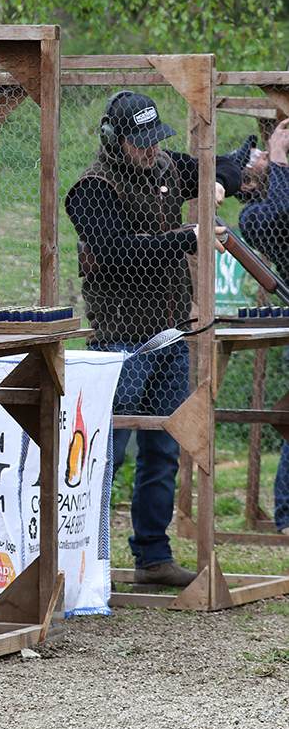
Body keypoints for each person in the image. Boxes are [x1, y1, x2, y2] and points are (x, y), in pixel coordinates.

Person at [65, 91, 241, 588]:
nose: (149, 151)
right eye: (138, 143)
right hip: (121, 339)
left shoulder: (165, 166)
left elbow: (222, 166)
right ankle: (87, 556)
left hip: (170, 335)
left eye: (152, 140)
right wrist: (189, 237)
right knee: (108, 451)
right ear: (113, 141)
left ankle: (152, 555)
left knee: (164, 446)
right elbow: (117, 253)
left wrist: (220, 184)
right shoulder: (91, 189)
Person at [234, 118, 289, 535]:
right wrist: (282, 156)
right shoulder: (256, 217)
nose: (262, 157)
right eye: (258, 159)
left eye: (264, 152)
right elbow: (281, 212)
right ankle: (287, 516)